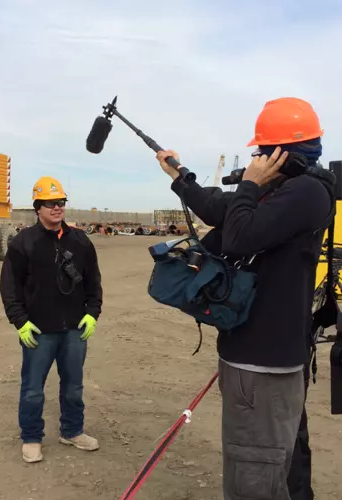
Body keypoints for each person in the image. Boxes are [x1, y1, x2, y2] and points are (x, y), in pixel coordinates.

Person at [156, 97, 334, 499]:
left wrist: (251, 183)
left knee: (253, 476)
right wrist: (179, 174)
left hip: (265, 366)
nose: (255, 160)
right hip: (257, 361)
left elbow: (238, 234)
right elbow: (221, 208)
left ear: (279, 154)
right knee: (267, 470)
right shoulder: (286, 191)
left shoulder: (306, 193)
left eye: (261, 152)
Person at [0, 176, 103, 463]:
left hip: (74, 330)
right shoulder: (23, 242)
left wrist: (92, 314)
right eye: (50, 204)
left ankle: (72, 431)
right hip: (39, 330)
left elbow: (94, 281)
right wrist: (20, 321)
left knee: (73, 386)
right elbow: (9, 286)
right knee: (32, 388)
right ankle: (31, 437)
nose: (57, 208)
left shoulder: (80, 241)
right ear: (37, 208)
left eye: (61, 203)